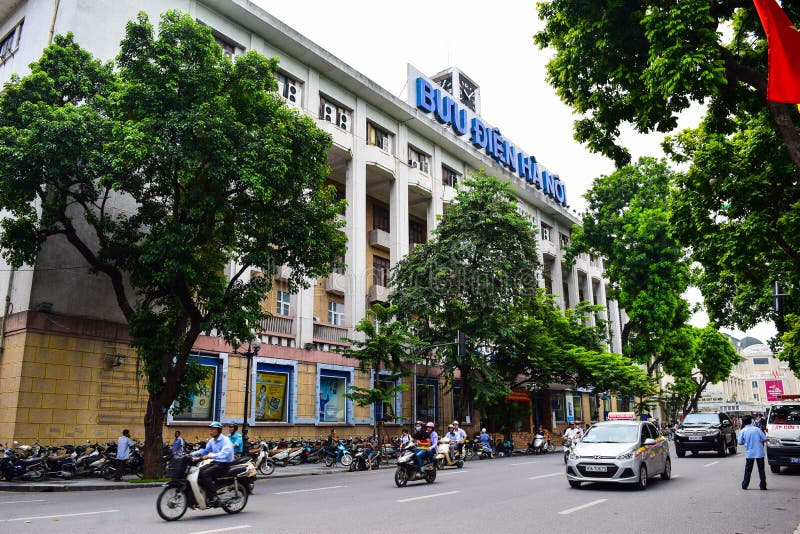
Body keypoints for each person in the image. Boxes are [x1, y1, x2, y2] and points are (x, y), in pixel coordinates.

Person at [192, 422, 235, 507]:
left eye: (213, 429)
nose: (210, 431)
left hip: (224, 464)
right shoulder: (212, 441)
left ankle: (213, 497)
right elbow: (204, 451)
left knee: (205, 474)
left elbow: (224, 454)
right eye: (210, 429)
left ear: (218, 430)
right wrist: (192, 454)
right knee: (198, 471)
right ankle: (204, 493)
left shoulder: (225, 440)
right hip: (215, 463)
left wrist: (211, 455)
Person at [738, 415, 768, 490]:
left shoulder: (743, 431)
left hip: (750, 453)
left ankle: (745, 485)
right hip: (759, 452)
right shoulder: (757, 429)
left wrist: (746, 441)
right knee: (761, 470)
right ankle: (763, 485)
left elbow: (740, 442)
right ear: (751, 421)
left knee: (748, 470)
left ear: (743, 422)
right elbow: (765, 439)